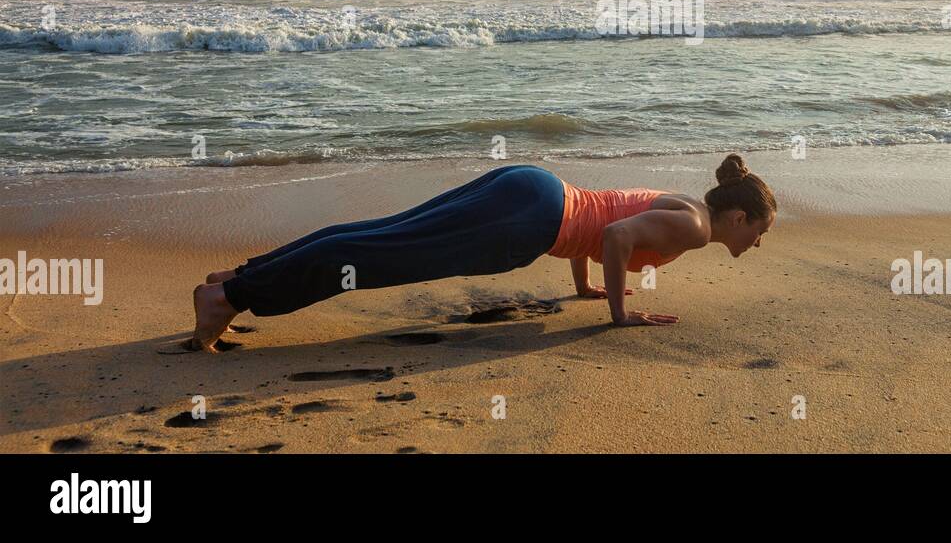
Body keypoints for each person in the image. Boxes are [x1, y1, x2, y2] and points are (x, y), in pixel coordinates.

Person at [191, 153, 777, 352]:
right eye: (760, 230)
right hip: (529, 219)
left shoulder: (685, 206)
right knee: (380, 255)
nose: (758, 242)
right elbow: (615, 238)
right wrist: (619, 314)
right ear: (738, 218)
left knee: (383, 233)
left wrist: (584, 287)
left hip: (535, 188)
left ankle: (236, 277)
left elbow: (601, 222)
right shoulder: (694, 228)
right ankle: (230, 297)